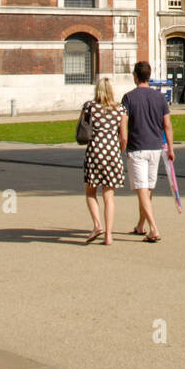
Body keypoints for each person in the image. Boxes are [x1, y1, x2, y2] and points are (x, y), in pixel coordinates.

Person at [121, 60, 174, 243]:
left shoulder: (128, 98)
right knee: (148, 188)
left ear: (135, 76)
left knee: (142, 188)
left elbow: (123, 127)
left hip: (137, 148)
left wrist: (122, 146)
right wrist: (171, 149)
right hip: (156, 147)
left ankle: (153, 228)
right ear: (149, 76)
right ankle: (141, 225)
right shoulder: (160, 98)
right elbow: (167, 125)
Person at [78, 78, 125, 245]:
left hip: (94, 152)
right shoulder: (120, 109)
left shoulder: (89, 106)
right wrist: (118, 151)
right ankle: (109, 235)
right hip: (112, 154)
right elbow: (124, 136)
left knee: (90, 192)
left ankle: (97, 225)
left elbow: (82, 127)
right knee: (109, 196)